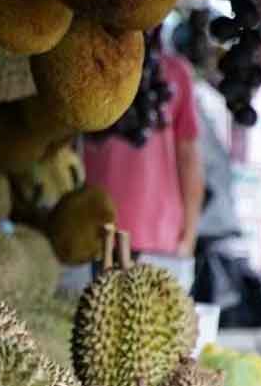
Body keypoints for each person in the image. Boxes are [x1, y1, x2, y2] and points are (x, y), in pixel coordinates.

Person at [82, 38, 205, 261]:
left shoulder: (176, 72)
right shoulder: (93, 64)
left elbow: (188, 157)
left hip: (157, 236)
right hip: (91, 232)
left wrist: (190, 234)